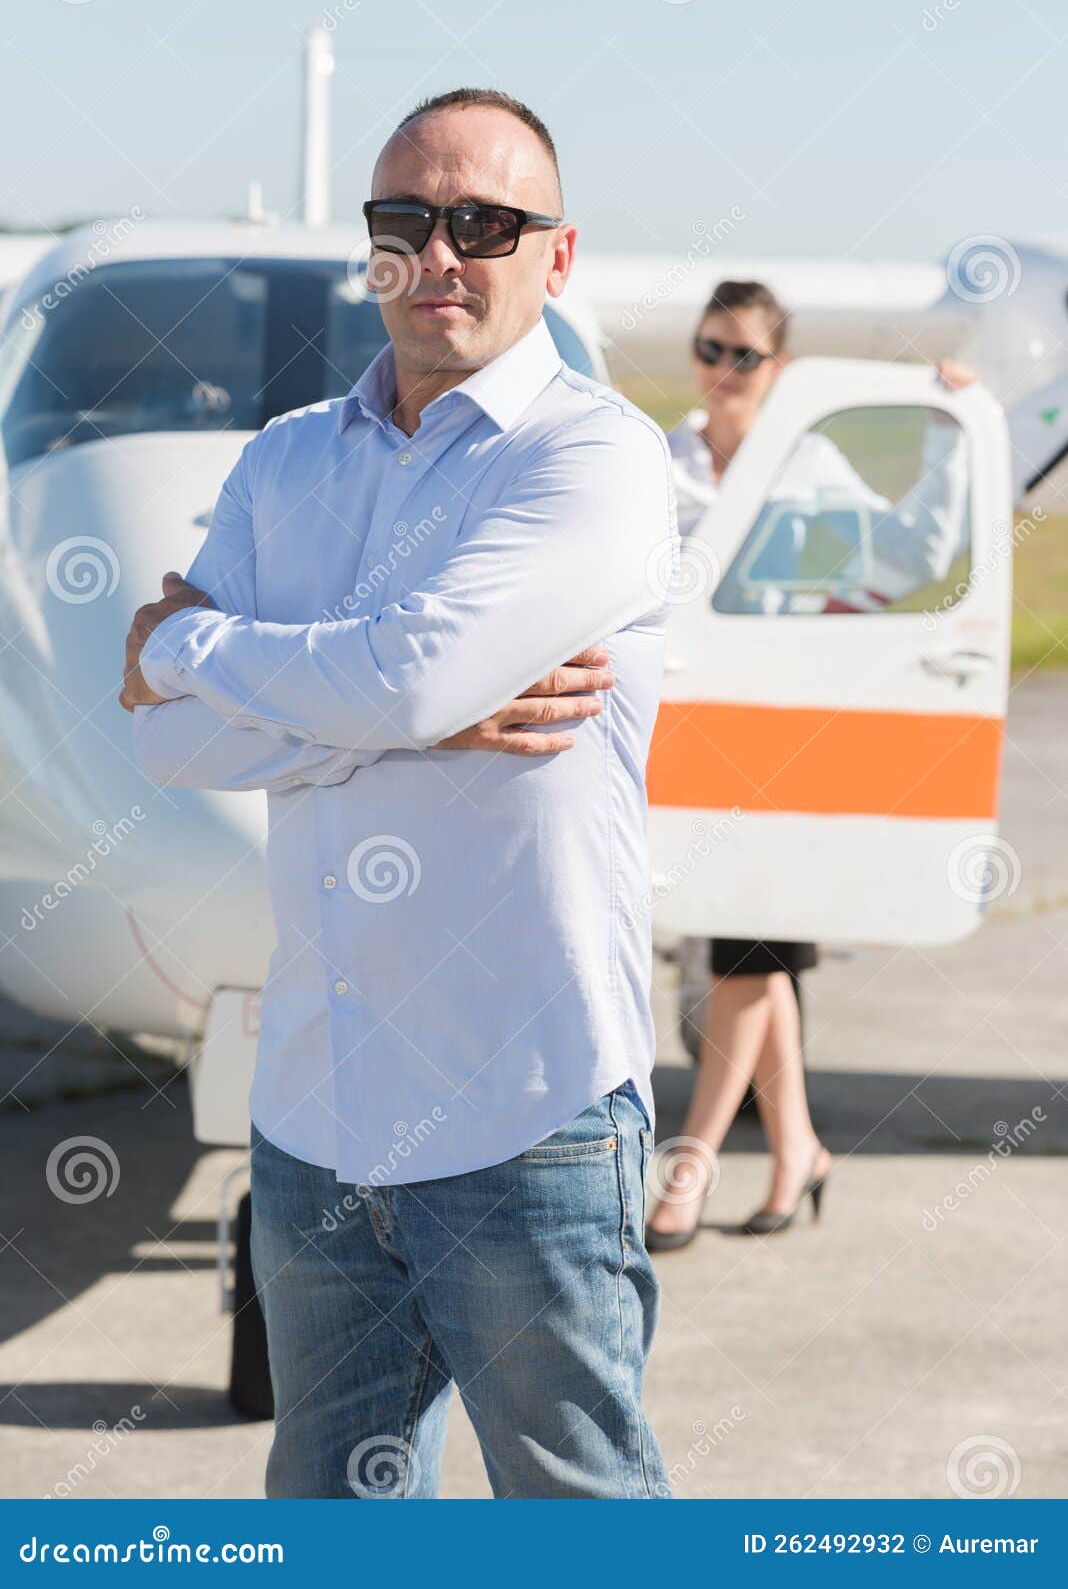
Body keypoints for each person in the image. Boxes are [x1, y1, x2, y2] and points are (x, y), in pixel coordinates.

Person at [120, 88, 677, 1499]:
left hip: (528, 1110)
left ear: (558, 256)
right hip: (320, 1115)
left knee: (577, 1507)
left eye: (486, 222)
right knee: (328, 1509)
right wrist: (400, 710)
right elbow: (169, 751)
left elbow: (403, 678)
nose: (442, 252)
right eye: (405, 221)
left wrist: (187, 647)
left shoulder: (593, 455)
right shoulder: (286, 457)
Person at [645, 279, 973, 1251]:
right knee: (757, 953)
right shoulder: (659, 463)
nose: (724, 371)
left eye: (745, 355)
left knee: (742, 950)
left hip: (782, 742)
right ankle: (797, 1149)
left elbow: (908, 552)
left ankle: (692, 1164)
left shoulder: (810, 462)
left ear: (777, 369)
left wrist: (950, 426)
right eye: (711, 348)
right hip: (688, 740)